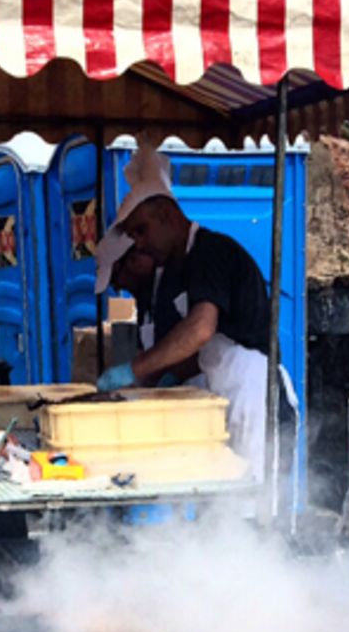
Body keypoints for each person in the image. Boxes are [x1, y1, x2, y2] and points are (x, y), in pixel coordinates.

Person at [94, 145, 293, 477]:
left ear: (166, 215)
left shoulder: (211, 252)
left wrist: (134, 369)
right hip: (217, 398)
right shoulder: (173, 269)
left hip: (253, 393)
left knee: (256, 493)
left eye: (141, 230)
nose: (139, 244)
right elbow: (194, 351)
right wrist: (161, 380)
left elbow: (200, 329)